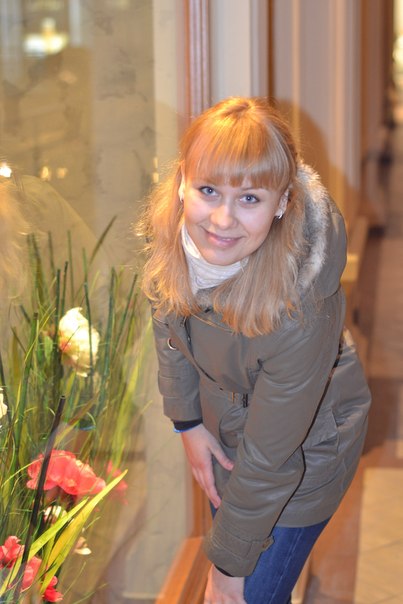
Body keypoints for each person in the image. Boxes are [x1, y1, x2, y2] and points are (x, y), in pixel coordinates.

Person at [140, 97, 371, 604]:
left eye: (249, 198)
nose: (222, 219)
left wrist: (227, 566)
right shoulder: (177, 241)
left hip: (302, 459)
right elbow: (169, 325)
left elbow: (271, 459)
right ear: (182, 183)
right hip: (231, 433)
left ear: (282, 202)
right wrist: (187, 423)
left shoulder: (299, 308)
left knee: (240, 593)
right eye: (208, 190)